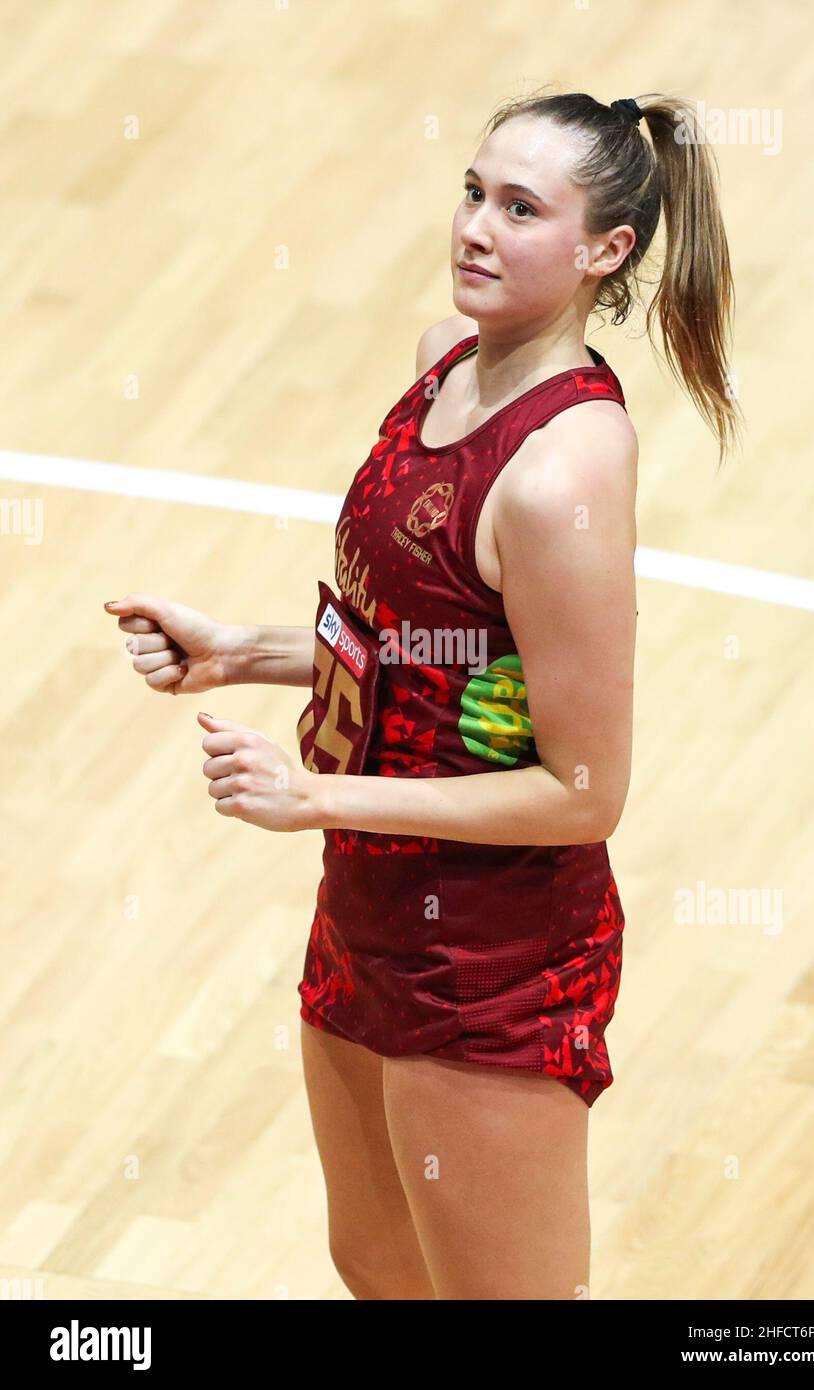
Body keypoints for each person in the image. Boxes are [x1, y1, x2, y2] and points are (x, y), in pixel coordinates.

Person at [105, 90, 741, 1300]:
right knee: (379, 1268)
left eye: (520, 209)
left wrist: (315, 796)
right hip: (368, 905)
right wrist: (241, 649)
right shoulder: (441, 365)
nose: (475, 228)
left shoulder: (560, 474)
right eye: (471, 192)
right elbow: (428, 654)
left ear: (604, 251)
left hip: (490, 958)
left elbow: (582, 792)